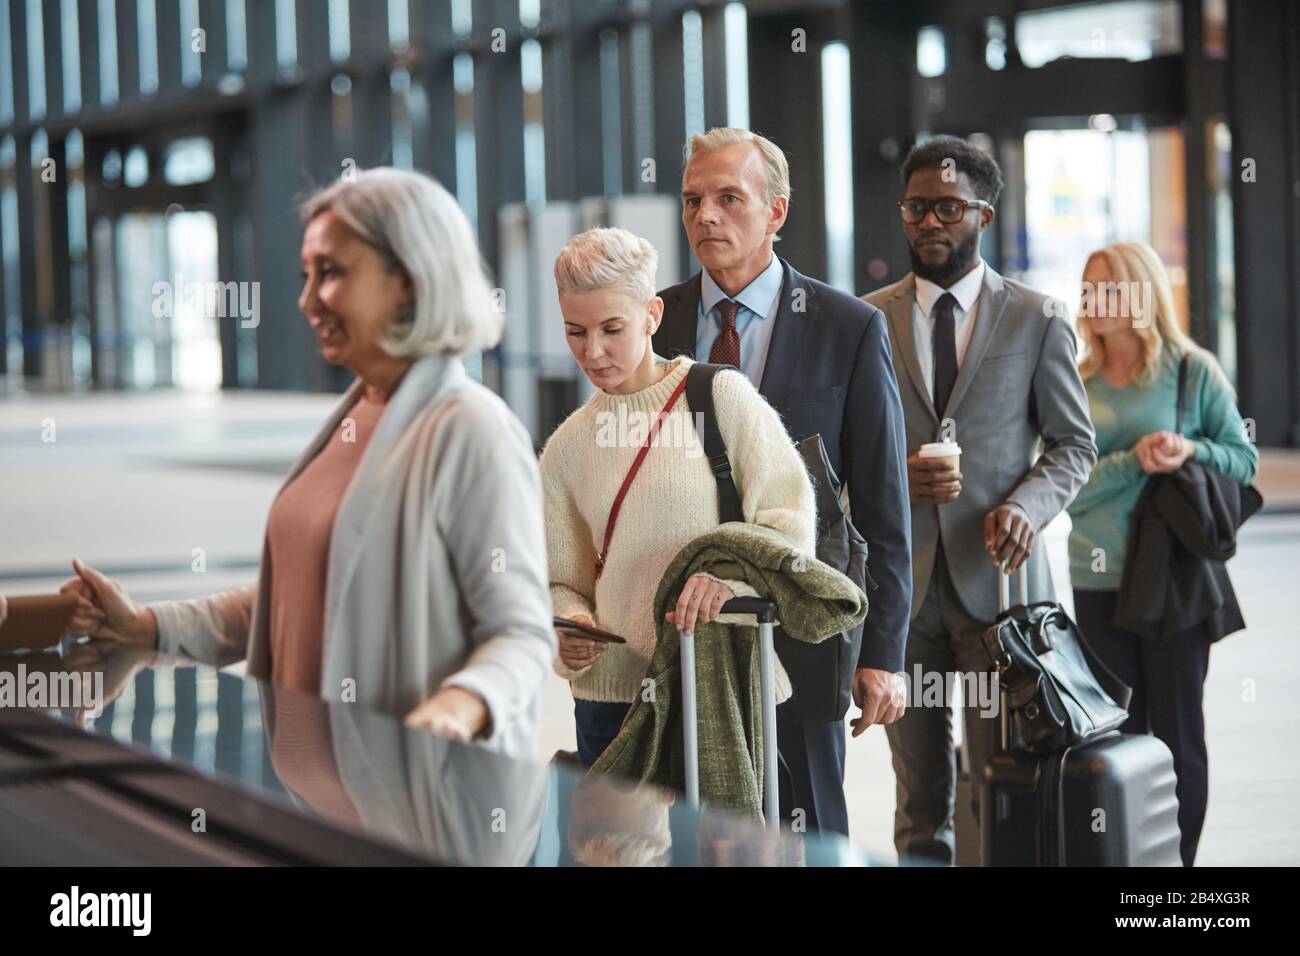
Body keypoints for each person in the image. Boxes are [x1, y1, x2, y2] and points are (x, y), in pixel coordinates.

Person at [60, 167, 554, 759]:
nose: (306, 300)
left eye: (332, 272)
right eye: (307, 274)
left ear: (408, 280)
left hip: (419, 818)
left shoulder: (471, 430)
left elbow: (520, 635)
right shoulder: (356, 412)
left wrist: (455, 709)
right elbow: (293, 596)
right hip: (313, 814)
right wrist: (146, 627)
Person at [654, 127, 912, 837]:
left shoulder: (848, 327)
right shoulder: (653, 322)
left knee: (812, 829)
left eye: (729, 198)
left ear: (777, 210)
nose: (705, 215)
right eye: (693, 199)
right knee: (690, 833)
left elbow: (884, 509)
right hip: (681, 627)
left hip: (804, 625)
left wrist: (884, 654)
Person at [863, 135, 1097, 863]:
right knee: (918, 795)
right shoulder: (865, 320)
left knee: (1004, 784)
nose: (931, 222)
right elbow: (840, 457)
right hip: (905, 595)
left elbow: (1072, 446)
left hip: (1002, 600)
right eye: (918, 207)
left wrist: (1027, 506)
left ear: (984, 215)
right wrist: (894, 478)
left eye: (950, 208)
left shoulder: (1037, 318)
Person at [541, 226, 816, 770]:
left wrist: (731, 581)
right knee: (617, 858)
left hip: (718, 686)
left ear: (652, 316)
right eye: (576, 331)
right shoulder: (567, 448)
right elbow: (557, 579)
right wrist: (567, 624)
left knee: (724, 855)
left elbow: (792, 528)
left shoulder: (719, 398)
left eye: (611, 328)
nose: (592, 352)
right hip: (608, 704)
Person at [1067, 240, 1258, 866]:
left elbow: (1243, 459)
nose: (1096, 301)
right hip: (1098, 580)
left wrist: (1189, 451)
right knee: (1115, 737)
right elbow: (1069, 487)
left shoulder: (1189, 370)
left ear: (1142, 294)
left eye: (1111, 287)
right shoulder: (1076, 378)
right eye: (1090, 287)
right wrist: (1132, 462)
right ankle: (1125, 864)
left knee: (1178, 735)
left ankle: (1176, 874)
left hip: (1174, 583)